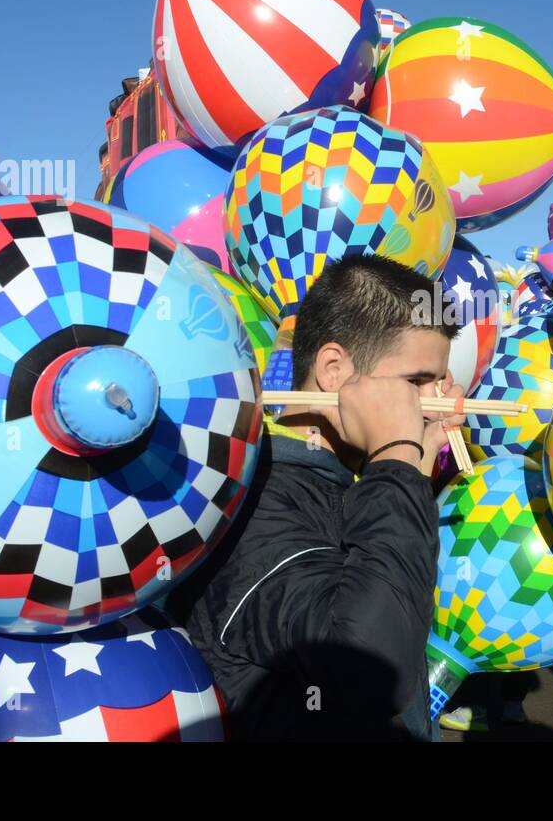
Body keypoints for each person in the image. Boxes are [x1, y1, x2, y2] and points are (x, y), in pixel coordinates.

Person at [176, 256, 464, 741]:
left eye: (436, 383)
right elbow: (368, 670)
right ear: (334, 370)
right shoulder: (257, 502)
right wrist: (395, 456)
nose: (432, 401)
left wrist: (411, 464)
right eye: (417, 382)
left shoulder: (343, 480)